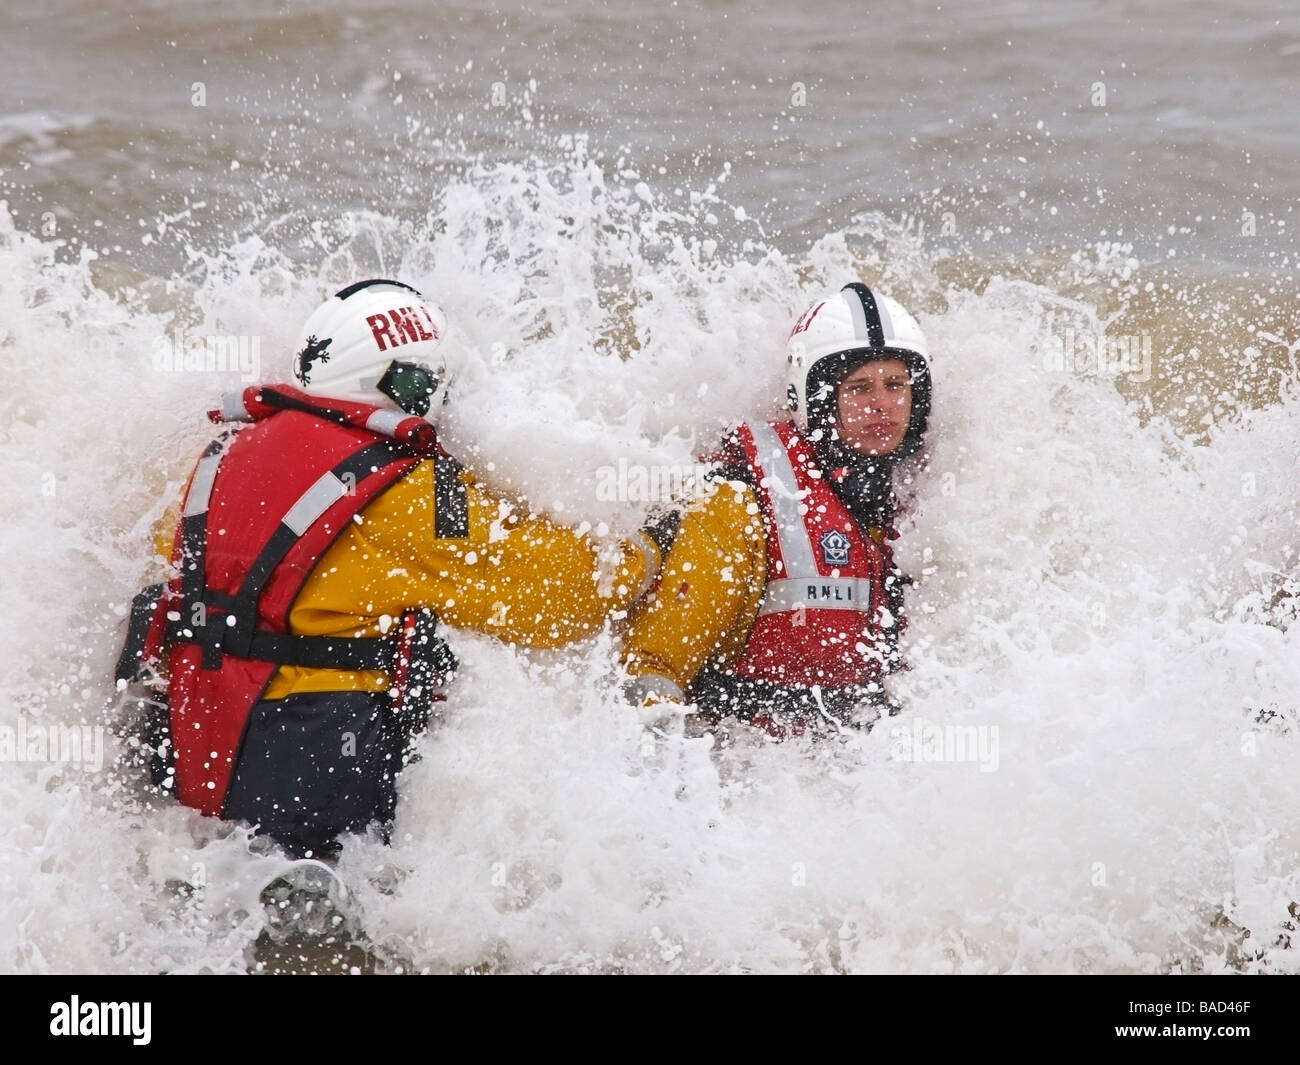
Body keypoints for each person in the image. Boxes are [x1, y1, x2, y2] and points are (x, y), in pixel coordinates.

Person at [116, 279, 665, 858]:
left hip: (186, 744)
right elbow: (560, 602)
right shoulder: (414, 492)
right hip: (307, 769)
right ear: (408, 380)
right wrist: (648, 545)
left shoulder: (218, 454)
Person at [621, 282, 932, 737]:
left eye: (895, 384)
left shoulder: (933, 498)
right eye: (860, 387)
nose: (882, 404)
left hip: (863, 776)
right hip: (751, 772)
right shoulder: (740, 499)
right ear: (821, 400)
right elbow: (656, 663)